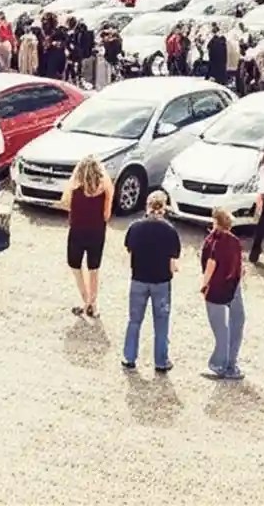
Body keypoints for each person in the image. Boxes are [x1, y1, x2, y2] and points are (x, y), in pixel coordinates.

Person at [121, 191, 180, 373]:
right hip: (161, 282)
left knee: (134, 320)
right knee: (161, 323)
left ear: (147, 206)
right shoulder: (170, 231)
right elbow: (173, 263)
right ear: (164, 208)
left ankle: (129, 357)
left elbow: (130, 252)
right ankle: (161, 362)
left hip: (138, 279)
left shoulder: (135, 228)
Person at [62, 155, 113, 318]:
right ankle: (93, 303)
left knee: (75, 265)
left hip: (77, 231)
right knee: (94, 268)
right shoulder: (105, 189)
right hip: (97, 231)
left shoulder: (74, 188)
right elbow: (106, 215)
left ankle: (86, 300)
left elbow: (65, 203)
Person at [200, 208, 245, 380]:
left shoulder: (212, 241)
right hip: (233, 286)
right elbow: (240, 265)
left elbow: (210, 265)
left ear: (215, 222)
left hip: (216, 289)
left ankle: (218, 364)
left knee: (221, 329)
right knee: (237, 322)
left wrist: (204, 286)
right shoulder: (234, 241)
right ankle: (231, 364)